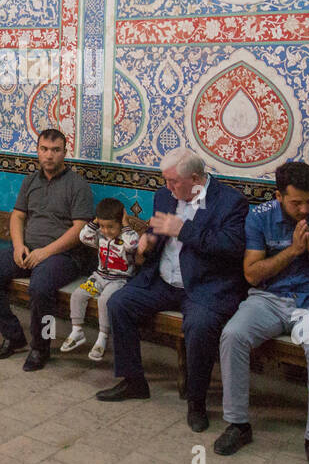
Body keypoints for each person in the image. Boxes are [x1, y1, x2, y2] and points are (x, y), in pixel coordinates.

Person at [215, 160, 309, 464]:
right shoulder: (259, 217)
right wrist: (293, 251)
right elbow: (251, 275)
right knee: (233, 335)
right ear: (279, 195)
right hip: (268, 299)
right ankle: (238, 424)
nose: (305, 208)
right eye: (297, 202)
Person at [96, 148, 248, 433]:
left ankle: (196, 403)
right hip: (163, 281)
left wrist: (184, 229)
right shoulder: (164, 196)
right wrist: (148, 242)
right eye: (165, 180)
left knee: (200, 326)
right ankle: (134, 381)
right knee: (119, 304)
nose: (167, 187)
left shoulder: (230, 202)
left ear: (195, 179)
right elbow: (157, 231)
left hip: (204, 286)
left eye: (173, 182)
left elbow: (233, 247)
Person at [0, 127, 94, 371]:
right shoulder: (30, 181)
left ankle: (42, 346)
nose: (49, 155)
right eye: (44, 149)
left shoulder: (77, 185)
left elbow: (80, 229)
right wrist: (19, 246)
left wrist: (46, 252)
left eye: (55, 150)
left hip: (64, 256)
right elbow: (18, 216)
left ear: (64, 152)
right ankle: (14, 336)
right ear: (37, 151)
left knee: (40, 288)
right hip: (27, 250)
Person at [62, 197, 139, 362]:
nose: (106, 231)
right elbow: (84, 237)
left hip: (119, 282)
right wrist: (96, 221)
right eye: (102, 226)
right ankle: (77, 332)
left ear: (120, 223)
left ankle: (102, 337)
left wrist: (125, 225)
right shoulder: (100, 236)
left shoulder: (127, 238)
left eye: (111, 226)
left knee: (104, 300)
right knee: (78, 294)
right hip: (99, 278)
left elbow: (132, 244)